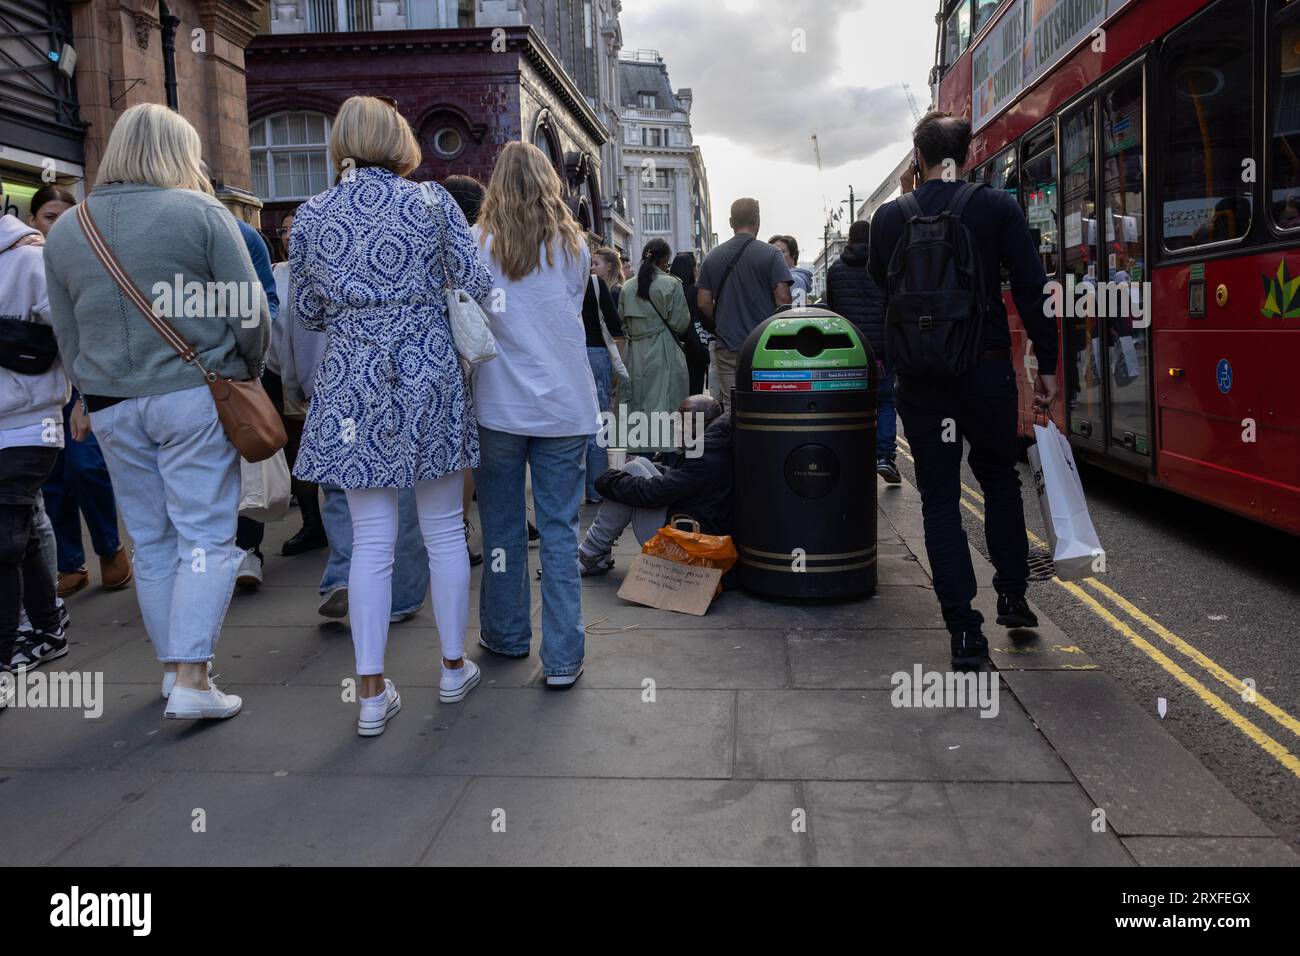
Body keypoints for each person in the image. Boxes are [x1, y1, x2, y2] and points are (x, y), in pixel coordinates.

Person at [44, 103, 269, 719]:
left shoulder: (67, 230)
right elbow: (251, 311)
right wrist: (245, 368)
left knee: (151, 539)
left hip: (113, 406)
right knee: (204, 535)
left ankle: (174, 671)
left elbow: (66, 332)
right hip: (193, 392)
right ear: (176, 150)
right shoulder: (201, 214)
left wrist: (85, 399)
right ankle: (196, 676)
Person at [291, 95, 492, 734]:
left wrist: (360, 313)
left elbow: (307, 312)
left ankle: (372, 694)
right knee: (441, 529)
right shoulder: (434, 204)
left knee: (371, 541)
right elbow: (480, 284)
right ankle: (453, 665)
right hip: (427, 370)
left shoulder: (311, 214)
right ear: (400, 140)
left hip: (352, 377)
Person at [868, 110, 1059, 670]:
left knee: (941, 502)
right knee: (1000, 480)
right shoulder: (995, 207)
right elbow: (1030, 286)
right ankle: (1013, 595)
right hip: (987, 370)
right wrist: (1045, 363)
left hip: (924, 377)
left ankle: (964, 632)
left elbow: (885, 283)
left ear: (917, 155)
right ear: (968, 155)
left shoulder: (887, 218)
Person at [471, 141, 597, 690]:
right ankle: (564, 657)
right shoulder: (575, 247)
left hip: (499, 405)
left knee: (500, 529)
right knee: (560, 532)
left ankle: (506, 633)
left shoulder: (479, 244)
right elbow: (567, 311)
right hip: (564, 407)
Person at [27, 185, 132, 598]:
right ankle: (70, 561)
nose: (55, 225)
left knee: (86, 467)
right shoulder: (27, 257)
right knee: (52, 476)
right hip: (40, 382)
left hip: (83, 378)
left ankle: (109, 547)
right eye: (49, 217)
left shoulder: (83, 252)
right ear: (34, 219)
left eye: (63, 217)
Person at [0, 211, 68, 675]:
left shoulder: (29, 260)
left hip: (28, 424)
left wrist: (85, 399)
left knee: (4, 534)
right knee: (20, 533)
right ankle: (47, 628)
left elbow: (72, 330)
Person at [578, 395, 729, 576]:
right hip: (692, 522)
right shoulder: (712, 447)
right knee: (638, 464)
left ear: (707, 423)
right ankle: (594, 552)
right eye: (678, 421)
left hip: (690, 542)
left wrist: (607, 480)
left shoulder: (704, 457)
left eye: (688, 423)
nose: (680, 428)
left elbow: (652, 493)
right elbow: (681, 483)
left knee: (629, 478)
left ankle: (590, 552)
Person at [697, 198, 792, 408]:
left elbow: (703, 302)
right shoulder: (771, 253)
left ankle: (738, 441)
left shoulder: (712, 257)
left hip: (728, 344)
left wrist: (722, 316)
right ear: (757, 221)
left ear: (731, 222)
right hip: (765, 345)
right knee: (767, 402)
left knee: (733, 406)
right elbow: (783, 298)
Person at [270, 207, 327, 558]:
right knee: (297, 453)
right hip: (280, 376)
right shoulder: (274, 273)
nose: (290, 236)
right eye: (286, 231)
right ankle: (312, 523)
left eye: (297, 229)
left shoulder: (323, 272)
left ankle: (345, 528)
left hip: (318, 377)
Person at [439, 173, 489, 564]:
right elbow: (483, 287)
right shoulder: (473, 237)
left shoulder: (428, 228)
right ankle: (459, 526)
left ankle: (447, 526)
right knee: (466, 446)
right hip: (469, 351)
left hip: (431, 352)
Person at [825, 218, 899, 483]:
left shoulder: (835, 271)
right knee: (885, 401)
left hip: (848, 351)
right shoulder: (886, 268)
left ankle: (853, 457)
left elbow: (833, 313)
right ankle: (885, 456)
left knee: (851, 405)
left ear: (849, 241)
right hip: (880, 349)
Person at [619, 239, 690, 457]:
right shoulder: (671, 284)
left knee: (639, 409)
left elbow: (622, 322)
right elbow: (680, 322)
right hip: (664, 350)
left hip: (635, 354)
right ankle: (671, 463)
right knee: (668, 407)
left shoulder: (628, 286)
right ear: (665, 260)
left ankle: (643, 464)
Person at [582, 247, 623, 504]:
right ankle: (596, 489)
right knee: (600, 422)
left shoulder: (558, 281)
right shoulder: (595, 284)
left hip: (566, 356)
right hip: (596, 354)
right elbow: (615, 327)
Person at [670, 251, 710, 395]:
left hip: (672, 346)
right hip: (694, 346)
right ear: (692, 269)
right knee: (694, 392)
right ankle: (693, 418)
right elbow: (704, 315)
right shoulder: (696, 291)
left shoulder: (669, 289)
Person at [769, 235, 812, 302]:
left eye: (782, 252)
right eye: (774, 252)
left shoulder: (794, 279)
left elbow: (797, 310)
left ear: (794, 254)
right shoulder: (782, 276)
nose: (776, 255)